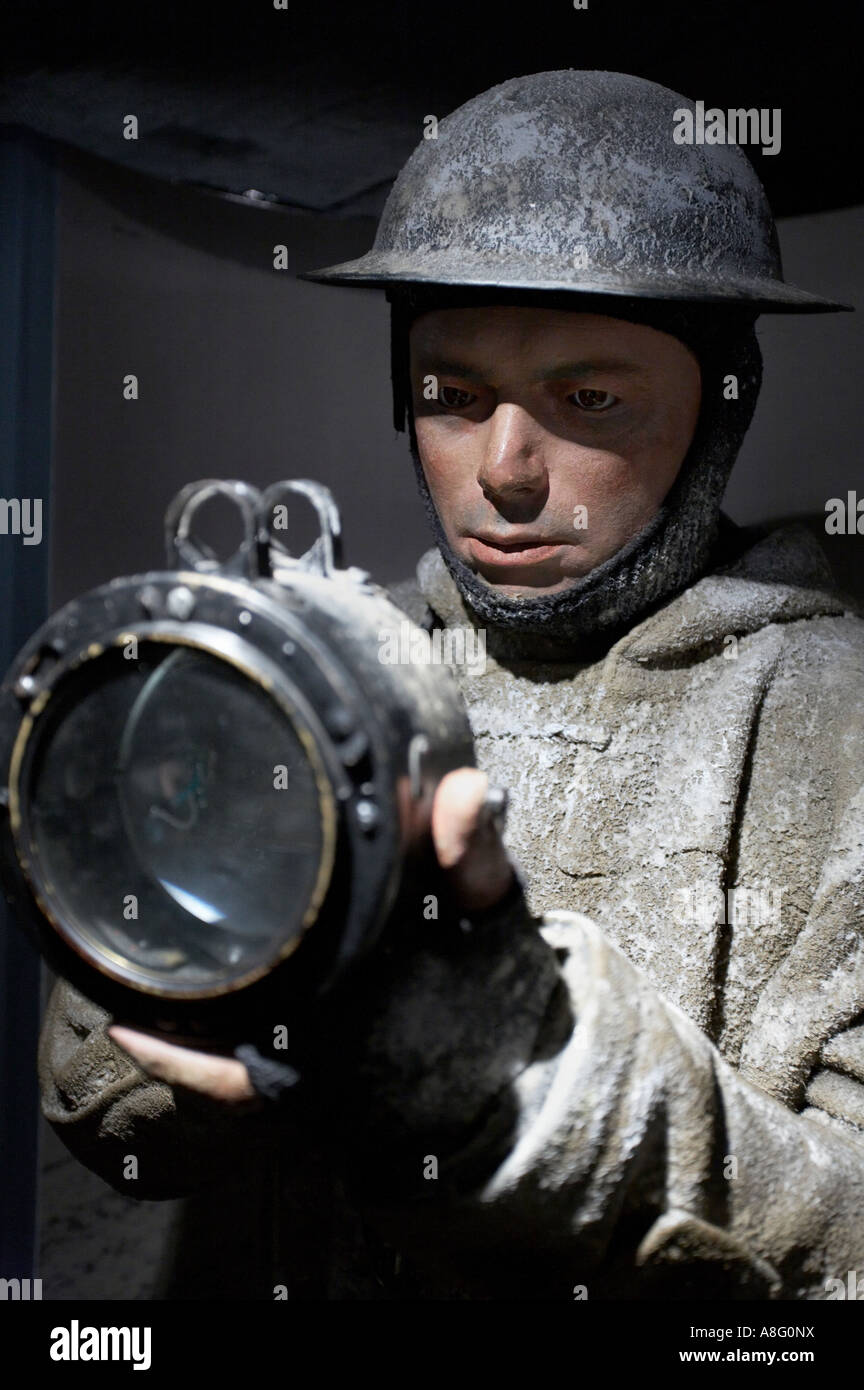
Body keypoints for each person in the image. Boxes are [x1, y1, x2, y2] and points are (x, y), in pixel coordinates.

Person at [39, 70, 864, 1300]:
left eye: (589, 398)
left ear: (720, 403)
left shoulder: (832, 726)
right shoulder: (317, 677)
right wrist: (219, 939)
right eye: (452, 396)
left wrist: (514, 1068)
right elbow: (106, 1107)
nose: (507, 470)